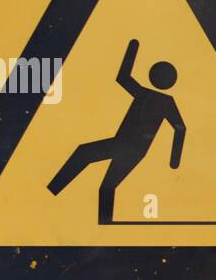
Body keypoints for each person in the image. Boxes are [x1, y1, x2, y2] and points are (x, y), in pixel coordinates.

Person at [47, 39, 185, 224]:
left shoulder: (158, 99)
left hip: (127, 146)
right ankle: (103, 222)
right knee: (107, 185)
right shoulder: (151, 96)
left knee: (85, 153)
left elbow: (180, 128)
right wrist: (174, 161)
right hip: (132, 148)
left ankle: (50, 195)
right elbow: (180, 128)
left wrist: (133, 48)